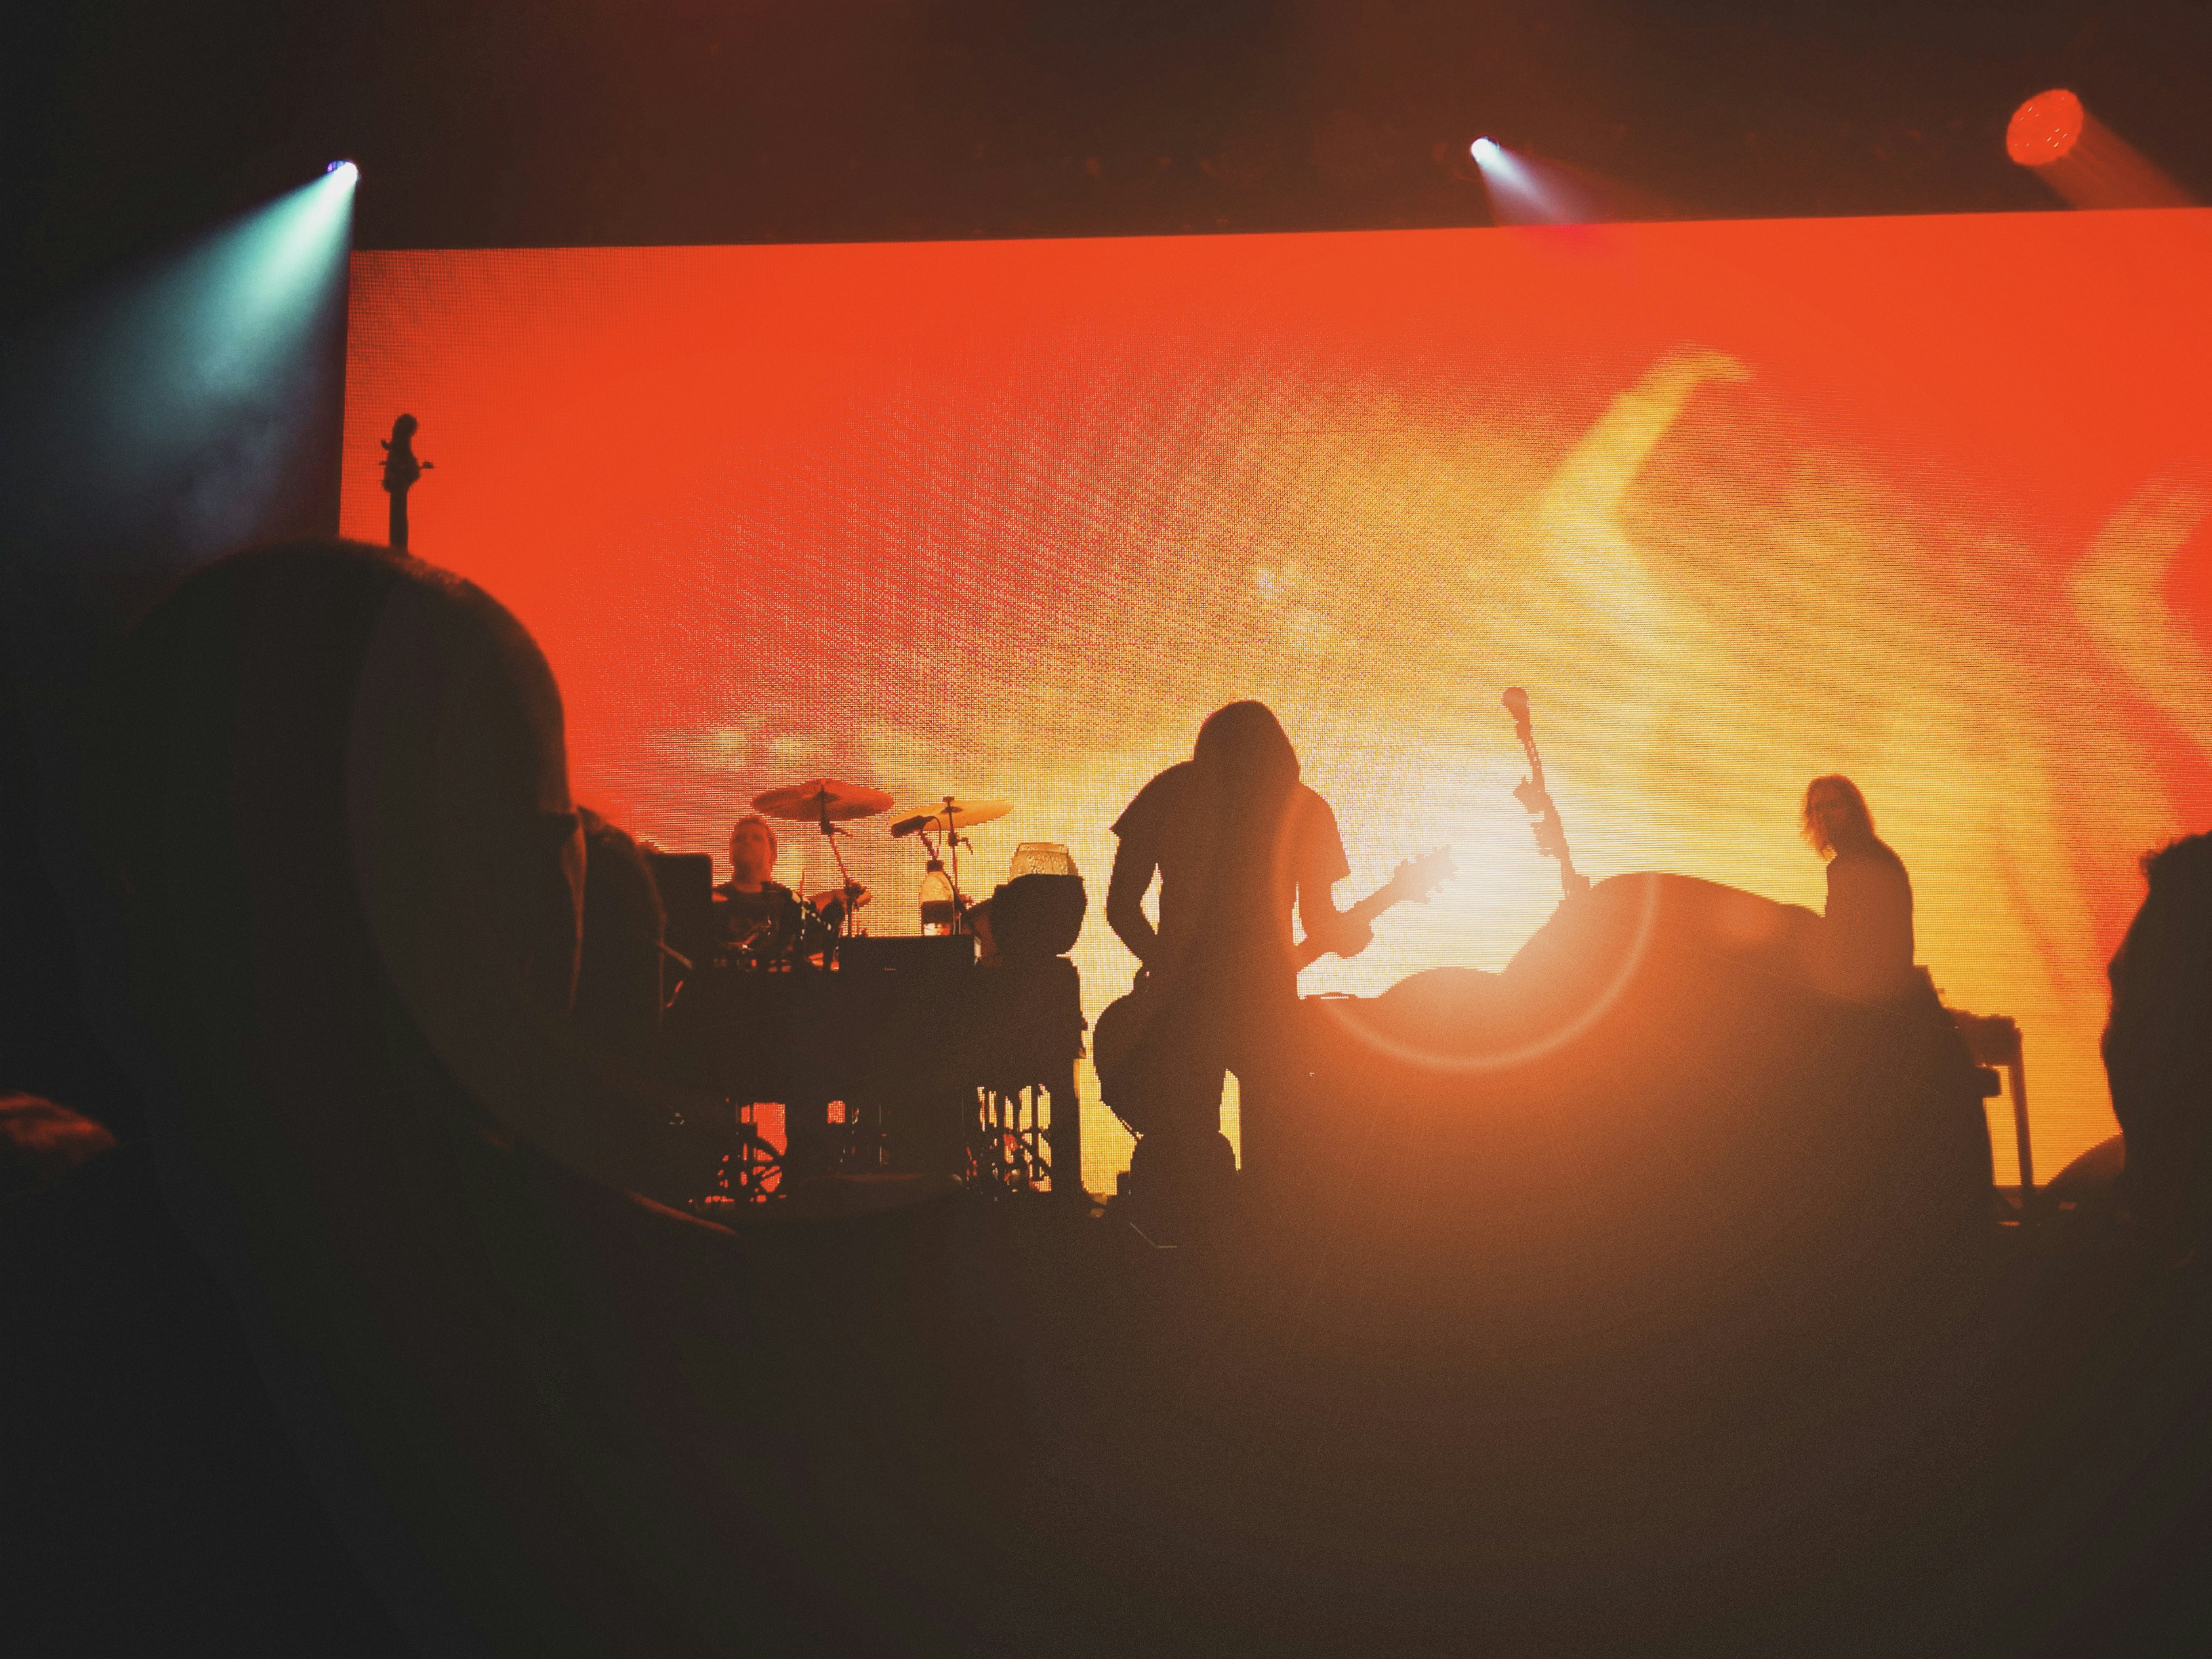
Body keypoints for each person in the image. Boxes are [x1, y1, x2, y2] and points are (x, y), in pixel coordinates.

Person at [1105, 700, 1370, 1200]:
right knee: (1275, 1158)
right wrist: (1353, 935)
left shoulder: (1172, 792)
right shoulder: (1304, 808)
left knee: (1187, 1158)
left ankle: (1188, 1255)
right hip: (1267, 1002)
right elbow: (1321, 922)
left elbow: (1120, 906)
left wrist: (1163, 965)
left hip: (1183, 1002)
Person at [1800, 773, 1917, 1004]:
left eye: (1833, 805)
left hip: (1872, 987)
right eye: (1817, 808)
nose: (1823, 815)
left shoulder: (1861, 861)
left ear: (1853, 810)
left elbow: (1845, 933)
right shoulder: (1859, 857)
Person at [714, 812, 806, 962]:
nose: (746, 842)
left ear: (773, 855)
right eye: (739, 839)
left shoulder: (790, 903)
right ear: (730, 854)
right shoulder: (708, 901)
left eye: (756, 838)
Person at [378, 413, 430, 549]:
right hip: (399, 480)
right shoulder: (402, 442)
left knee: (398, 518)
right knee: (398, 518)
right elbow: (402, 455)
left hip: (399, 480)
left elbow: (402, 454)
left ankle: (398, 548)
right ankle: (399, 548)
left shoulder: (401, 441)